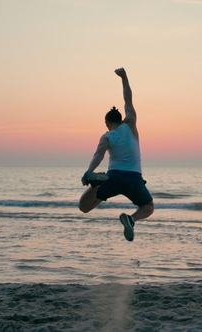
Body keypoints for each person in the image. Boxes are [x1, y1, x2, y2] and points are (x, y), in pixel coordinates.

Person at [79, 67, 154, 242]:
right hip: (134, 178)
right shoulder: (130, 124)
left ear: (106, 123)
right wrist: (124, 76)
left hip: (112, 177)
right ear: (121, 119)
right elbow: (128, 97)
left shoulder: (107, 136)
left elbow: (98, 155)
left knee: (85, 207)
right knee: (148, 206)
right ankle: (131, 219)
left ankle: (95, 185)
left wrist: (89, 171)